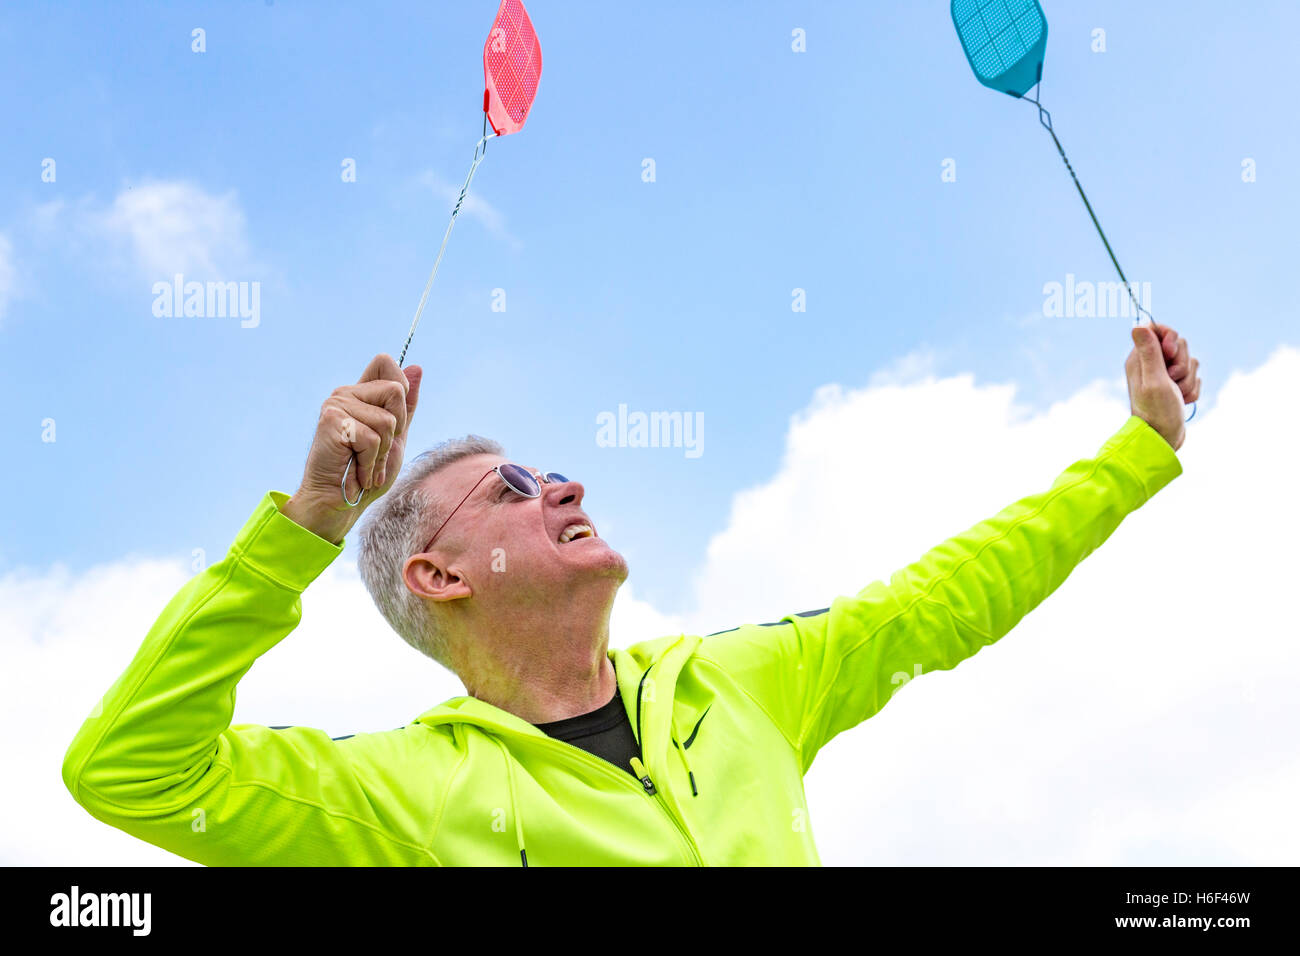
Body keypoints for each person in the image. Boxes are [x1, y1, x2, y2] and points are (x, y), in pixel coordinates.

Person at [62, 324, 1200, 865]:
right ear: (440, 575)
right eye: (514, 486)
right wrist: (303, 531)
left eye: (550, 467)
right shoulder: (397, 795)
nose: (565, 482)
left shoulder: (741, 684)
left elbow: (948, 596)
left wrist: (1139, 451)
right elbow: (130, 769)